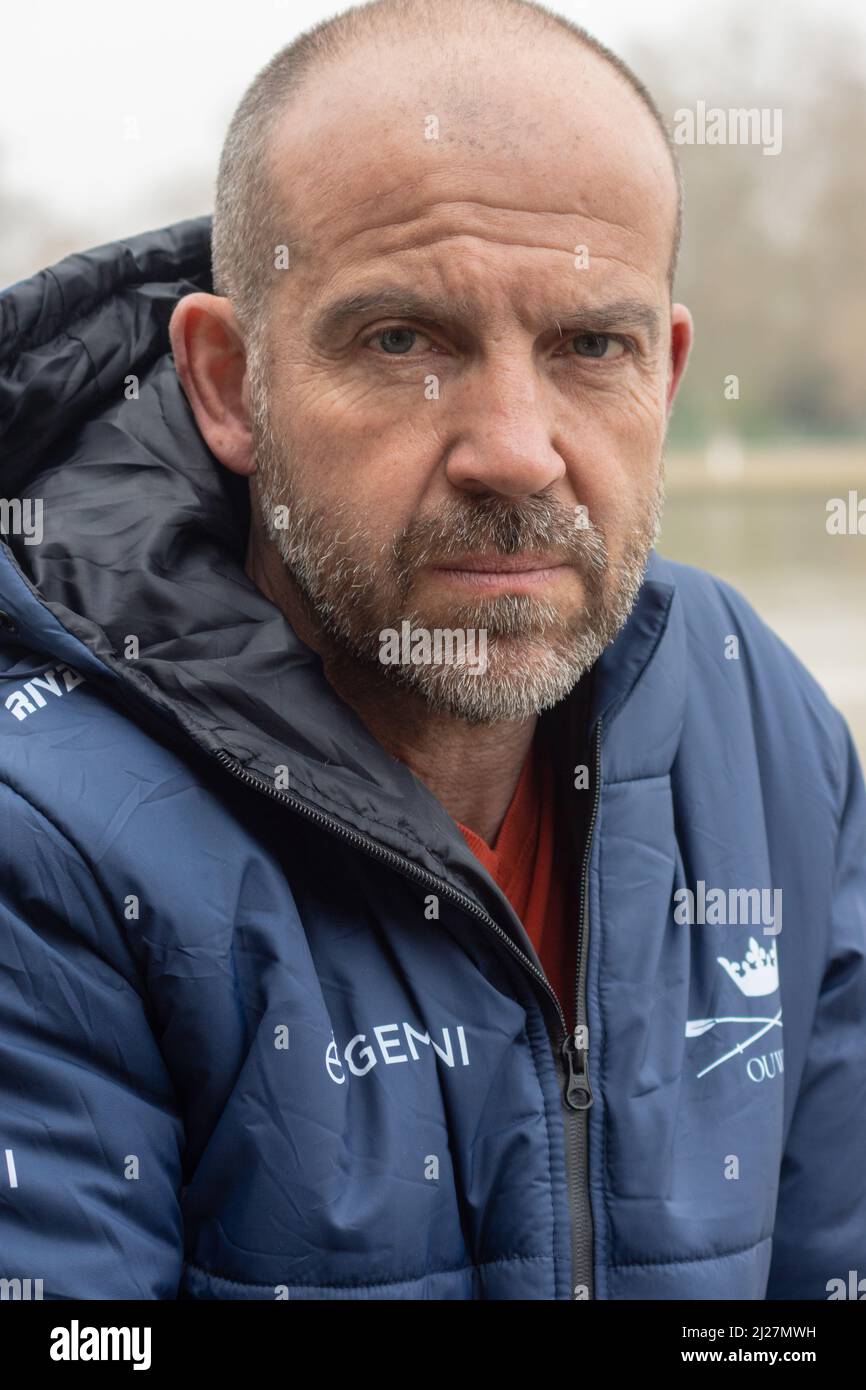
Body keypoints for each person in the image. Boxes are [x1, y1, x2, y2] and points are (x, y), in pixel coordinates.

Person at [0, 0, 863, 1301]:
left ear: (667, 376)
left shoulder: (759, 727)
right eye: (403, 340)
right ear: (229, 383)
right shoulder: (43, 838)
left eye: (589, 346)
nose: (514, 447)